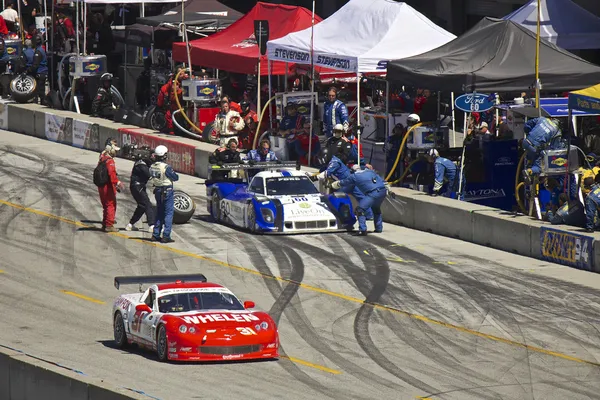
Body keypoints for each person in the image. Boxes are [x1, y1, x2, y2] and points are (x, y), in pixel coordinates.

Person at [314, 147, 374, 220]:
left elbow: (326, 173)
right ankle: (370, 215)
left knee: (335, 197)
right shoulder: (333, 161)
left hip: (345, 184)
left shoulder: (334, 162)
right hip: (351, 182)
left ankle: (336, 214)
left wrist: (314, 178)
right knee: (361, 198)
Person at [331, 165, 387, 235]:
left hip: (373, 193)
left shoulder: (354, 176)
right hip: (383, 191)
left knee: (360, 209)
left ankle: (362, 230)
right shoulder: (370, 172)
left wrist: (336, 184)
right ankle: (379, 228)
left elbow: (344, 182)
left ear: (352, 171)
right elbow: (380, 180)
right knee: (376, 208)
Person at [149, 145, 179, 243]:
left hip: (157, 190)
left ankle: (155, 234)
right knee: (169, 213)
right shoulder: (166, 167)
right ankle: (166, 235)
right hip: (167, 190)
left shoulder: (152, 166)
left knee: (159, 212)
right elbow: (175, 177)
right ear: (164, 156)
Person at [522, 117, 562, 181]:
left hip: (525, 142)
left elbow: (527, 125)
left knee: (531, 159)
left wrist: (530, 134)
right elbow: (554, 149)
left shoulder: (542, 119)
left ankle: (529, 172)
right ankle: (529, 171)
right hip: (534, 148)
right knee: (538, 168)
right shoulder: (557, 131)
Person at [97, 138, 124, 232]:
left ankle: (104, 224)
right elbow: (112, 175)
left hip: (101, 185)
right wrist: (118, 183)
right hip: (108, 186)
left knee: (105, 205)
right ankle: (109, 225)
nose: (115, 152)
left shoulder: (102, 157)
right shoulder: (110, 161)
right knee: (111, 205)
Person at [126, 149, 155, 233]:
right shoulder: (141, 164)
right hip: (137, 186)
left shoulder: (143, 163)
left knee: (142, 206)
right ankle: (152, 225)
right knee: (147, 205)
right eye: (152, 155)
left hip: (138, 186)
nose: (153, 157)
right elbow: (149, 175)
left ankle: (130, 224)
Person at [156, 66, 188, 135]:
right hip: (175, 105)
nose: (182, 75)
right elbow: (170, 95)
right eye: (180, 74)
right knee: (169, 115)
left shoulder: (188, 79)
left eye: (183, 73)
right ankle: (172, 130)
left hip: (185, 105)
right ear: (176, 75)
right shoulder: (173, 84)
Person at [24, 34, 47, 104]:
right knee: (41, 92)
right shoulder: (41, 50)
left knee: (37, 92)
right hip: (42, 73)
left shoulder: (38, 52)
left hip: (39, 74)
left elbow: (35, 65)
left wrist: (26, 71)